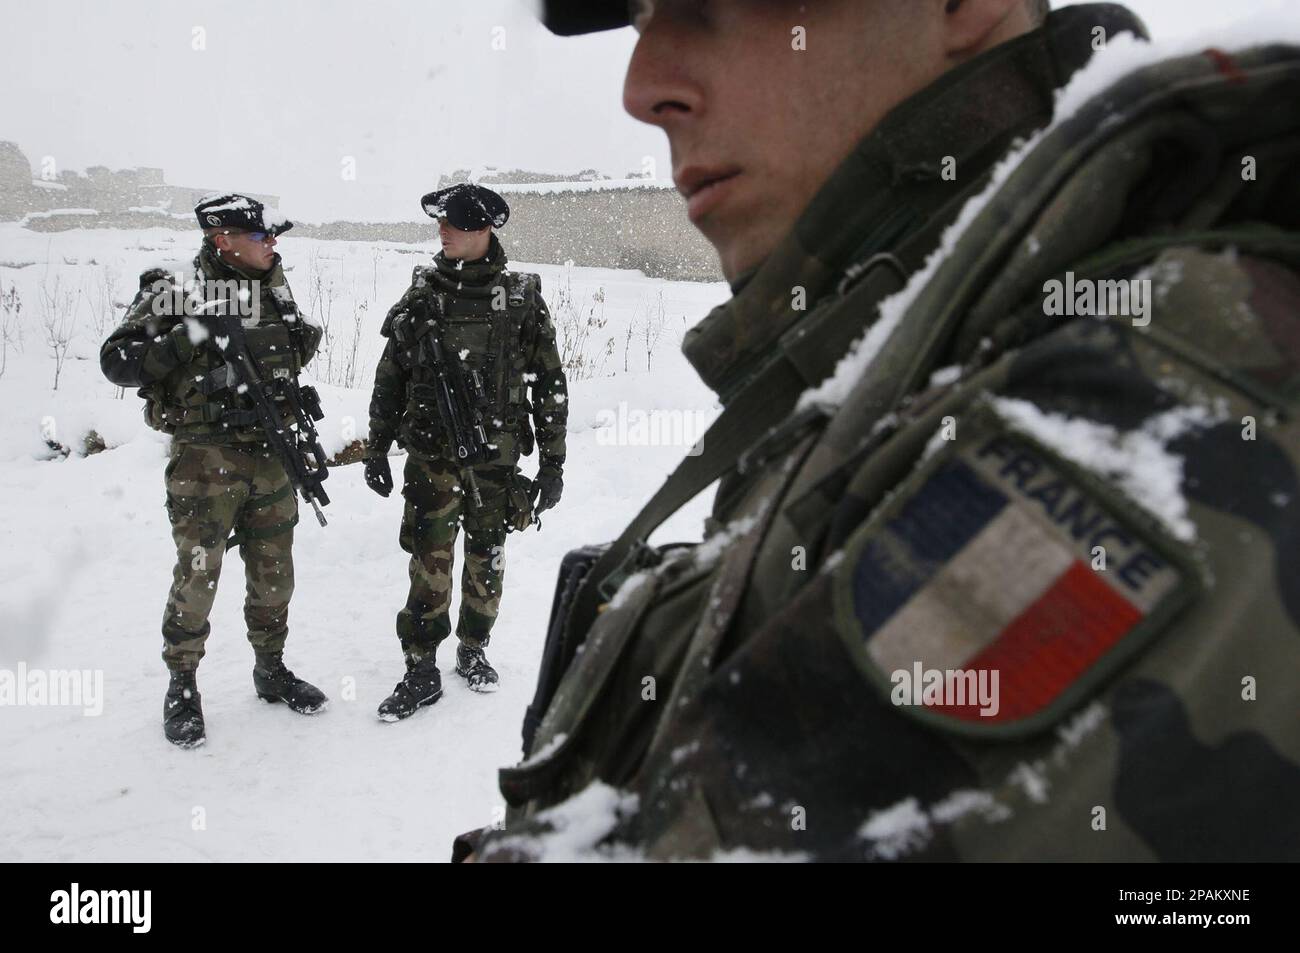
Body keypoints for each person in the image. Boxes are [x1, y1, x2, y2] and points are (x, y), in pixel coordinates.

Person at [462, 1, 1300, 860]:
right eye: (641, 18)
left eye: (707, 2)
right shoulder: (912, 357)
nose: (643, 88)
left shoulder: (1142, 406)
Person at [100, 193, 329, 749]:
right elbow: (118, 362)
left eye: (274, 236)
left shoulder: (271, 284)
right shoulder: (175, 287)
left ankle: (270, 669)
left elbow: (297, 344)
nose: (272, 244)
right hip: (207, 462)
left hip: (270, 455)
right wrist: (191, 333)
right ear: (222, 238)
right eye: (262, 236)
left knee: (275, 571)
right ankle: (182, 684)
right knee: (198, 574)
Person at [364, 183, 568, 720]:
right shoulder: (423, 294)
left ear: (483, 231)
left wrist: (553, 463)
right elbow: (391, 375)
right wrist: (377, 446)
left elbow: (549, 383)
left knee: (488, 557)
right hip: (432, 456)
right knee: (429, 559)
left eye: (454, 223)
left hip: (496, 459)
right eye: (442, 223)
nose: (443, 230)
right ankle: (421, 662)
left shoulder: (519, 297)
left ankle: (473, 648)